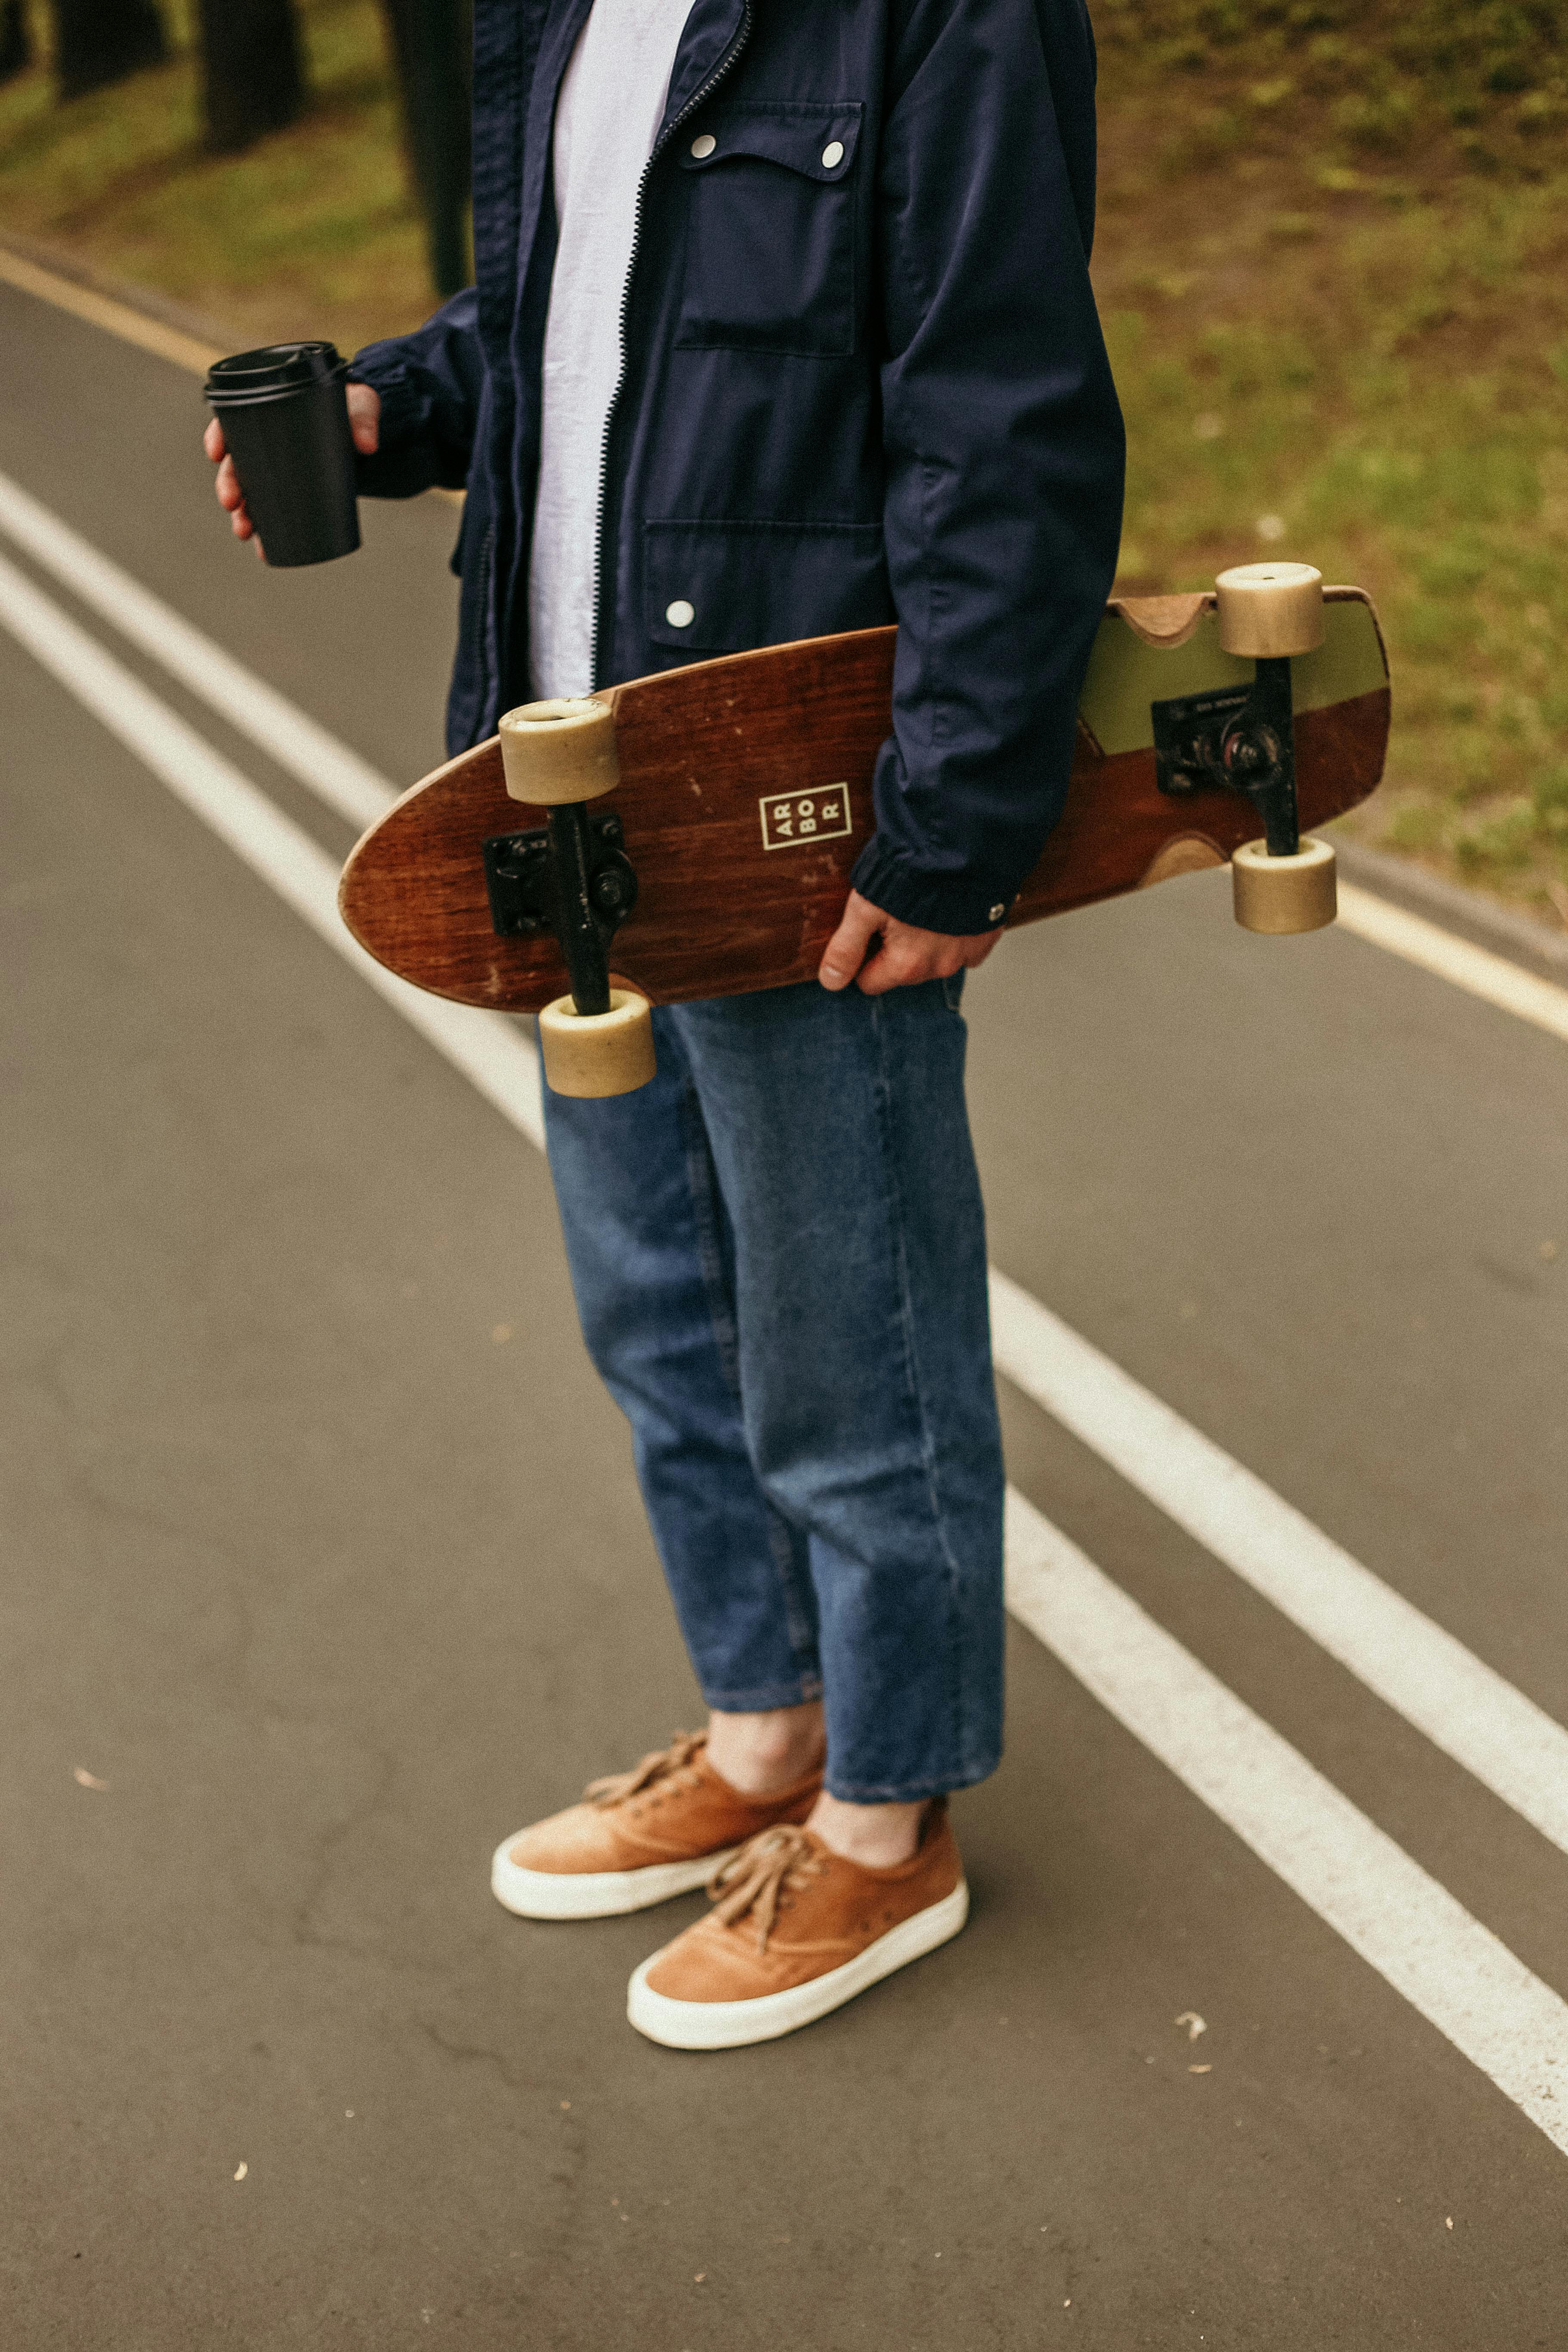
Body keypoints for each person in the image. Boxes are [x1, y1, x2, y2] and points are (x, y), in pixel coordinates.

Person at [208, 0, 1124, 2049]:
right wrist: (393, 406)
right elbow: (571, 311)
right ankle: (766, 1727)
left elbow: (1008, 419)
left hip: (789, 799)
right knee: (662, 1313)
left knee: (848, 1338)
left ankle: (888, 1830)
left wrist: (954, 828)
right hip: (560, 811)